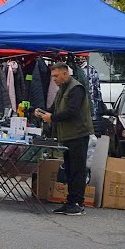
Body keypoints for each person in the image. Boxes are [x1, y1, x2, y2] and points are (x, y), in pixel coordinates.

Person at [35, 62, 92, 216]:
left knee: (77, 170)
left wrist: (52, 118)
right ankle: (70, 202)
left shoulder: (76, 88)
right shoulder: (62, 89)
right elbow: (54, 109)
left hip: (78, 134)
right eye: (52, 76)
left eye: (56, 76)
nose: (53, 79)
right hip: (67, 135)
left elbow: (72, 112)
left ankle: (77, 203)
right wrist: (42, 113)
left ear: (65, 74)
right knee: (69, 169)